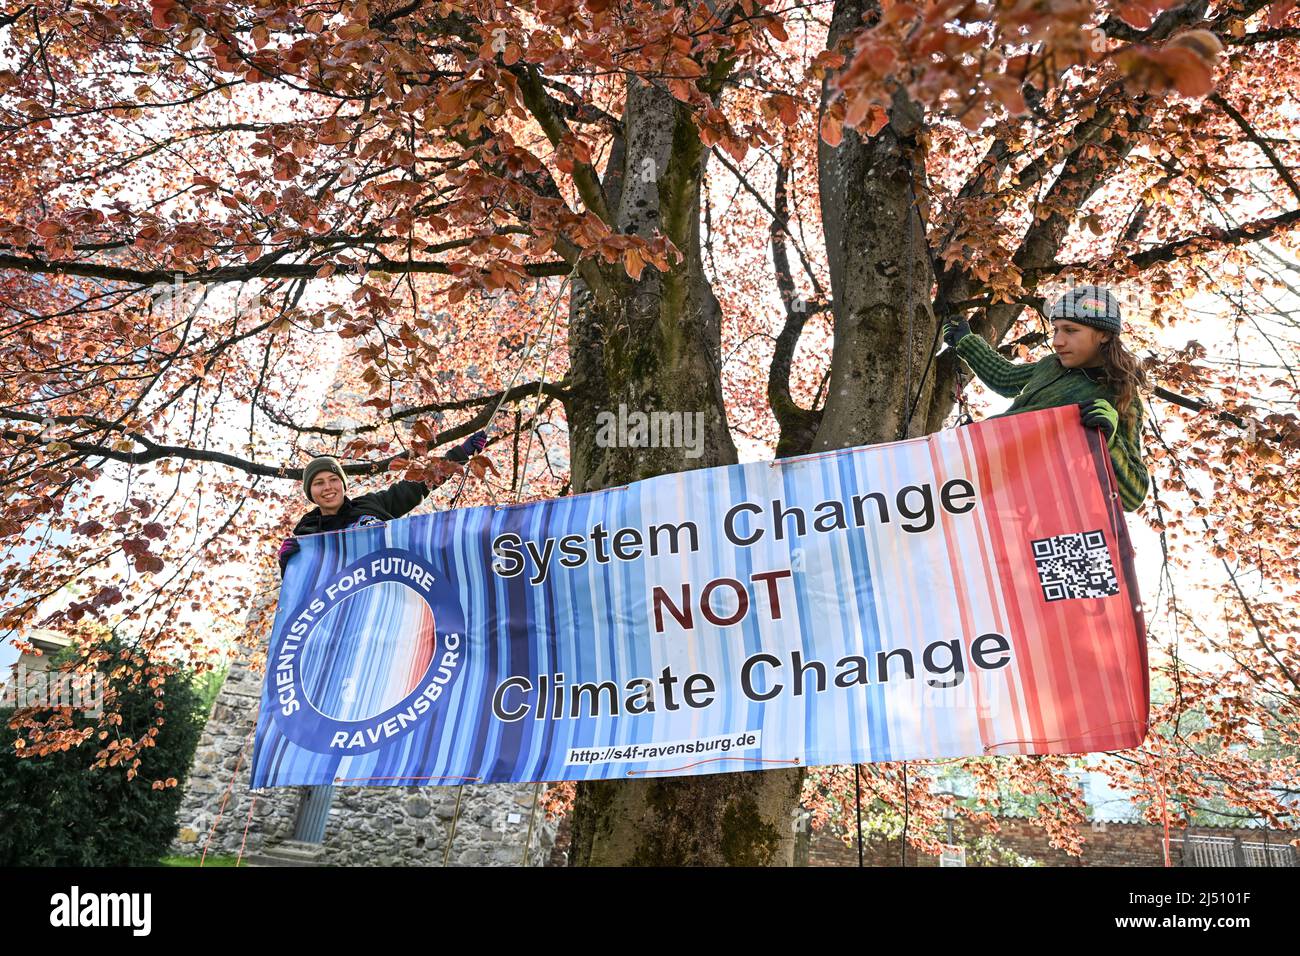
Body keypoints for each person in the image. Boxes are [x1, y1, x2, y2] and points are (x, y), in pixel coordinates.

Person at [941, 284, 1150, 512]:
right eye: (1056, 330)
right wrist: (966, 340)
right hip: (987, 480)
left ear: (1104, 334)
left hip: (1042, 509)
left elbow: (1133, 496)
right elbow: (1005, 377)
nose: (1057, 341)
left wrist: (1109, 442)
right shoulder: (1050, 365)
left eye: (1070, 330)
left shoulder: (1120, 395)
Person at [277, 430, 488, 575]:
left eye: (333, 480)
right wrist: (289, 565)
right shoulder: (308, 537)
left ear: (343, 485)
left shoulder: (371, 505)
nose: (328, 487)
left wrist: (460, 454)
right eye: (318, 483)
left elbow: (417, 486)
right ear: (310, 493)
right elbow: (304, 591)